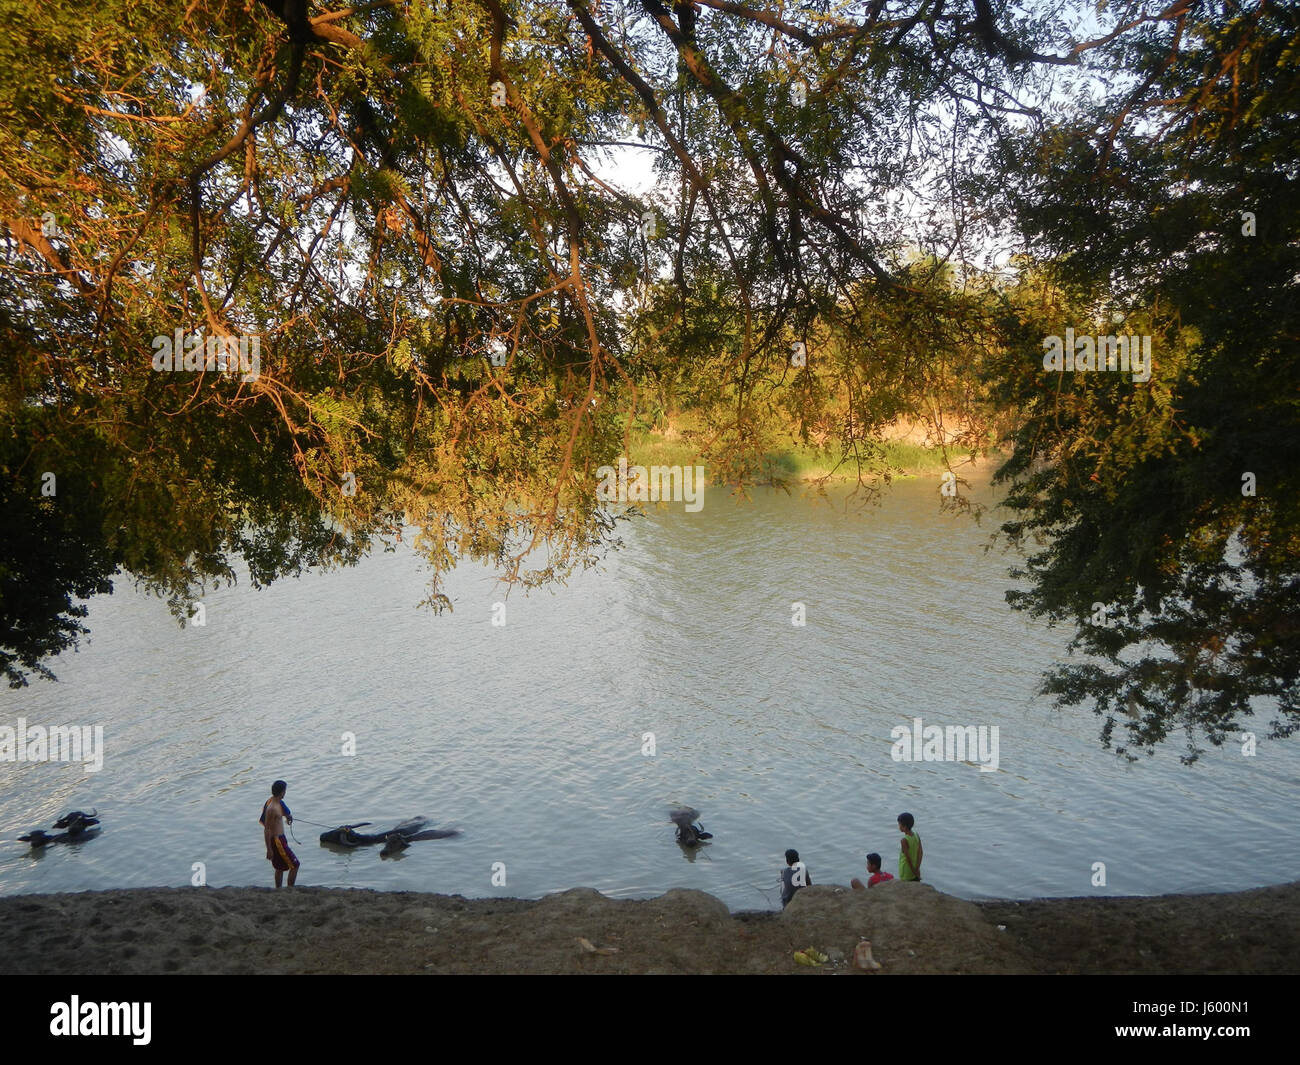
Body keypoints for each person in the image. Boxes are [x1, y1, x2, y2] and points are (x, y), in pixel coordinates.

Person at [260, 780, 299, 887]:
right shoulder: (272, 808)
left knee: (279, 868)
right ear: (282, 792)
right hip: (277, 840)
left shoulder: (278, 803)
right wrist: (269, 849)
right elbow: (267, 829)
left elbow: (285, 812)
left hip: (281, 839)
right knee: (295, 865)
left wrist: (288, 817)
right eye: (285, 791)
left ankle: (278, 890)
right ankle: (290, 889)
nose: (285, 793)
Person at [897, 812, 922, 881]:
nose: (898, 826)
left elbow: (908, 859)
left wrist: (914, 871)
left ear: (904, 827)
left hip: (906, 870)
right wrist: (917, 868)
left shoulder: (904, 840)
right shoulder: (916, 835)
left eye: (899, 824)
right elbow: (920, 852)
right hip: (916, 867)